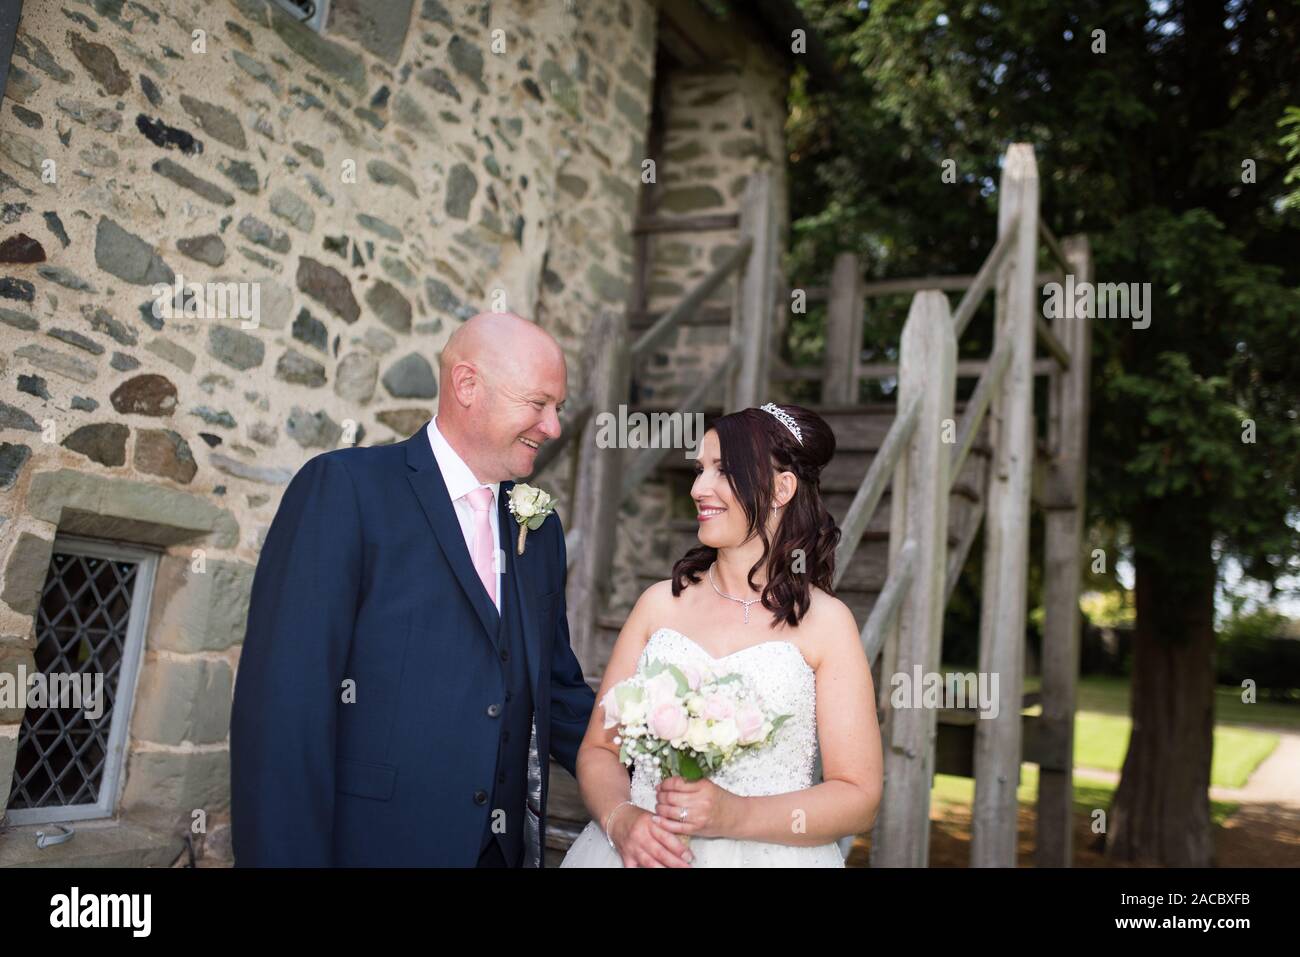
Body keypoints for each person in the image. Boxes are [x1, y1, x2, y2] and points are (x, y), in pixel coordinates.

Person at [230, 312, 595, 867]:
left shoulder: (538, 533)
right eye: (538, 403)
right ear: (467, 385)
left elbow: (558, 691)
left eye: (559, 408)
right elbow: (286, 709)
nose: (553, 427)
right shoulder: (346, 491)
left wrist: (665, 756)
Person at [560, 403, 882, 867]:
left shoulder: (827, 625)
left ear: (782, 488)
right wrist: (622, 820)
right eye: (699, 470)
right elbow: (597, 749)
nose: (697, 488)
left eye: (723, 471)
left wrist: (734, 816)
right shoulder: (659, 605)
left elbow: (860, 797)